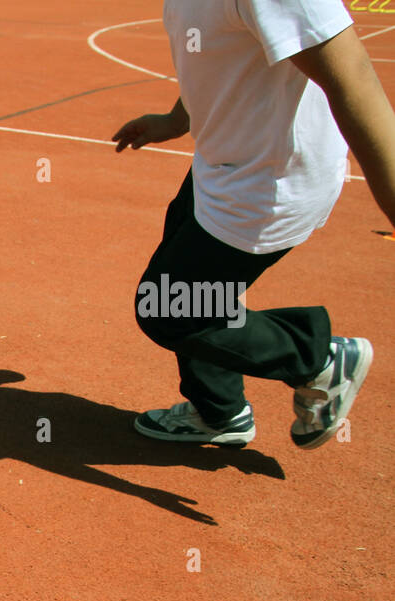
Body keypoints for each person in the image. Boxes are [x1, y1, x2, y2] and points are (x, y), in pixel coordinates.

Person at [112, 0, 394, 449]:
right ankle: (218, 411)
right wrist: (176, 119)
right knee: (190, 281)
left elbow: (355, 79)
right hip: (221, 164)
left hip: (268, 183)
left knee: (169, 309)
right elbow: (217, 53)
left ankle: (316, 357)